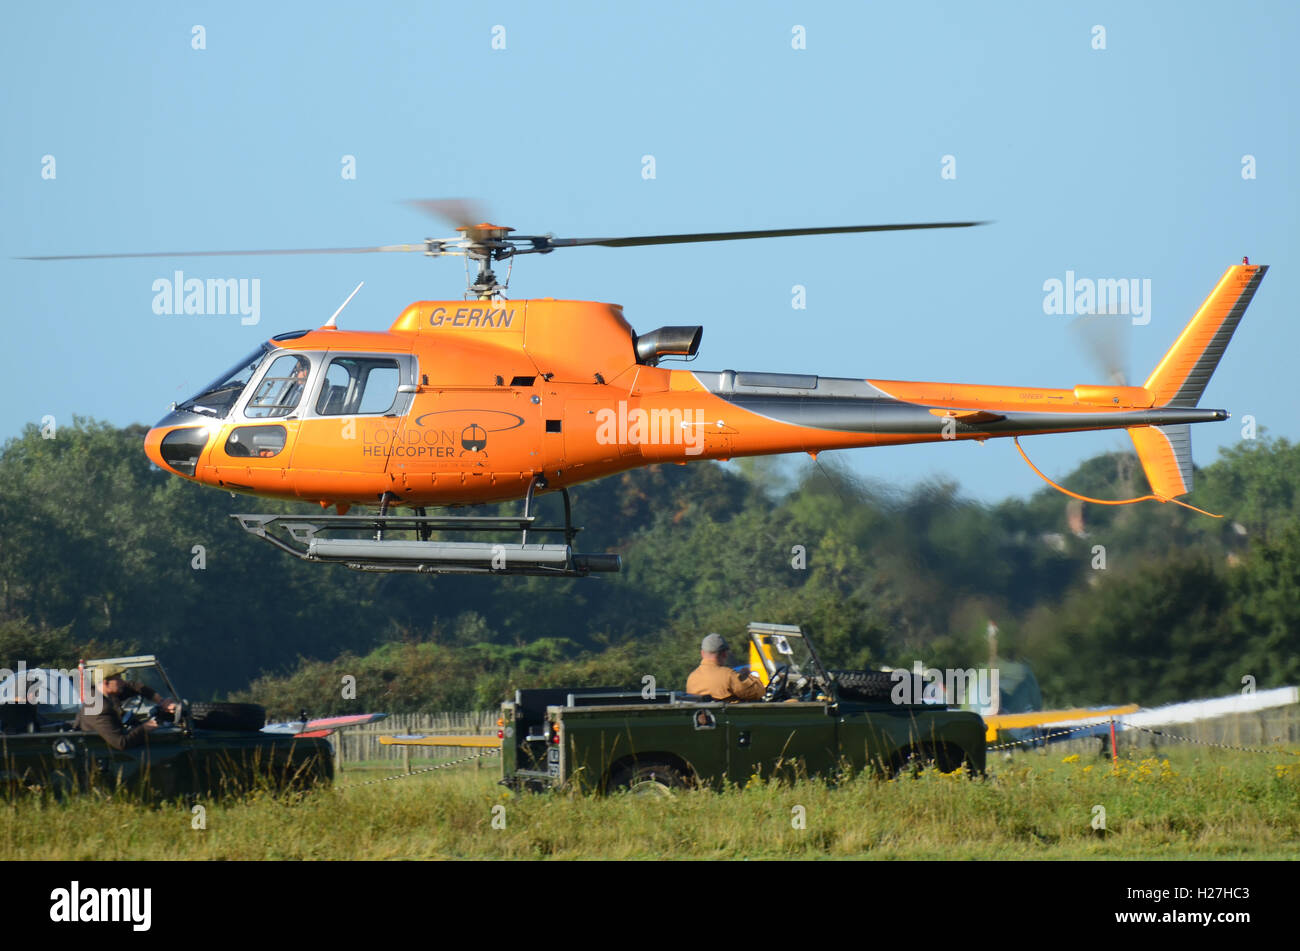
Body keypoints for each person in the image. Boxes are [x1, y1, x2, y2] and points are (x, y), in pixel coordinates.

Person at [72, 664, 179, 751]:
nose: (123, 682)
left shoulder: (107, 695)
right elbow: (121, 743)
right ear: (106, 682)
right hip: (103, 755)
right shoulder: (98, 708)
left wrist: (162, 702)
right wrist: (145, 728)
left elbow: (135, 686)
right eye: (118, 679)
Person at [686, 633, 765, 701]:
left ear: (702, 653)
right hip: (729, 717)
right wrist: (748, 676)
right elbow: (758, 692)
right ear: (724, 654)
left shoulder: (692, 678)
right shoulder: (728, 676)